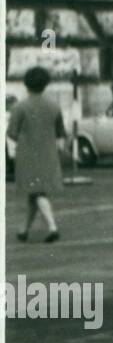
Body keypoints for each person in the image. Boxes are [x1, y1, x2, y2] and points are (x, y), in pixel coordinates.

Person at [8, 66, 65, 243]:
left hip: (27, 155)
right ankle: (24, 230)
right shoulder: (54, 106)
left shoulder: (19, 107)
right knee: (35, 194)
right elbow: (61, 133)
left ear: (27, 84)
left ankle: (52, 227)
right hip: (48, 154)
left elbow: (11, 133)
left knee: (37, 193)